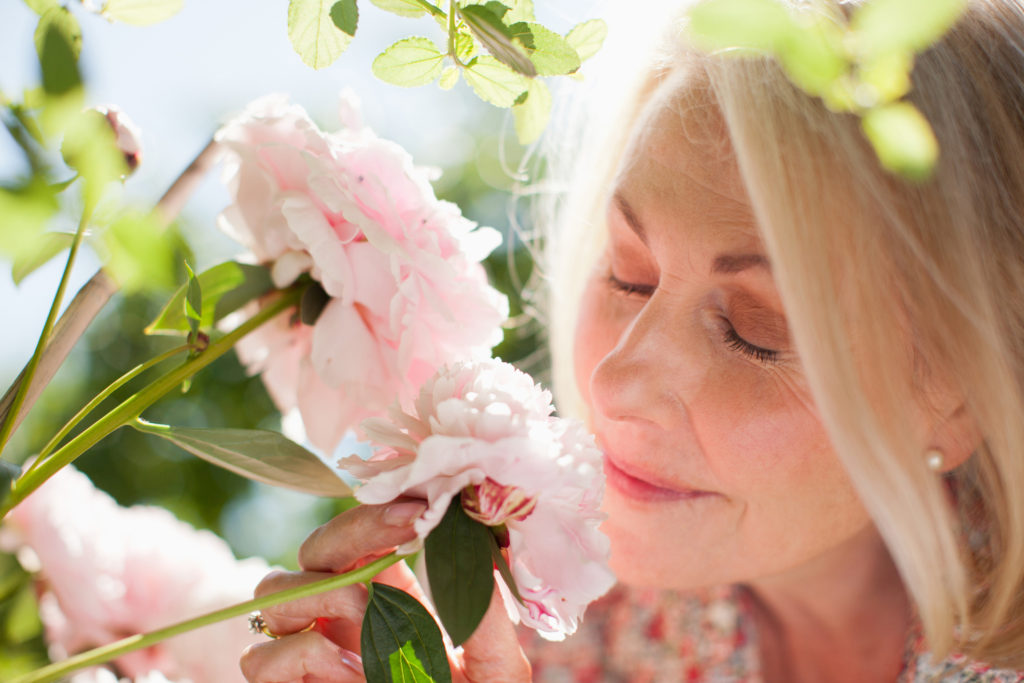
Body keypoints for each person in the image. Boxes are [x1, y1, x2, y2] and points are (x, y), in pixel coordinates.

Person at [239, 1, 1024, 680]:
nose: (614, 384)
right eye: (627, 275)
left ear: (957, 395)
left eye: (758, 333)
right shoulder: (544, 638)